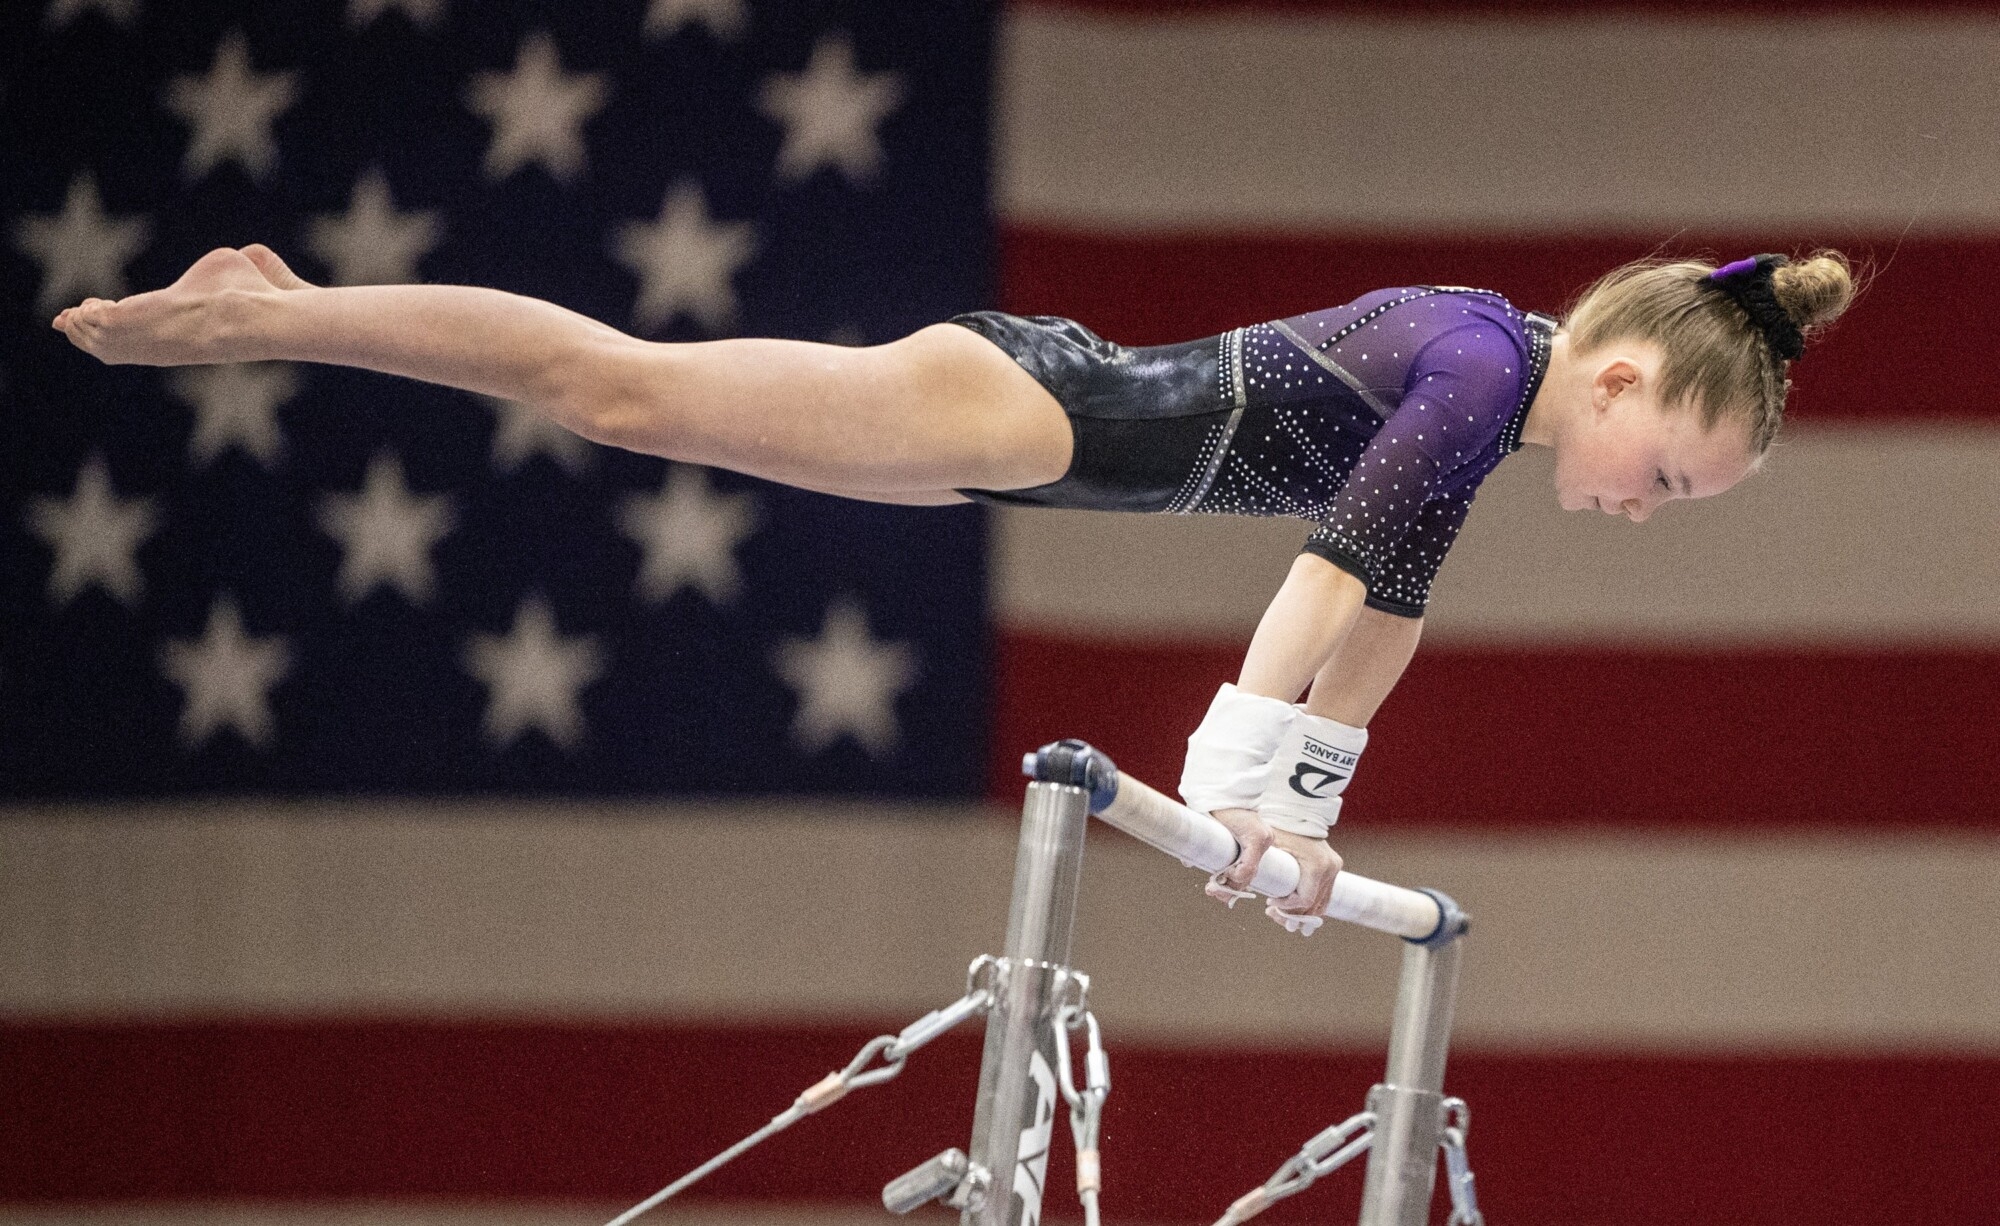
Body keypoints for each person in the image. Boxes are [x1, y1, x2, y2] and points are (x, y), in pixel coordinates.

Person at [51, 245, 1855, 933]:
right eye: (1670, 479)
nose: (1647, 511)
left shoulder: (1491, 400)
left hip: (1014, 431)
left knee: (631, 399)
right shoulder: (1474, 369)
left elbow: (1383, 622)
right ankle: (267, 311)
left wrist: (1302, 822)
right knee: (621, 387)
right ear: (1621, 381)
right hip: (1015, 401)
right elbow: (1330, 578)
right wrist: (1239, 790)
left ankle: (282, 301)